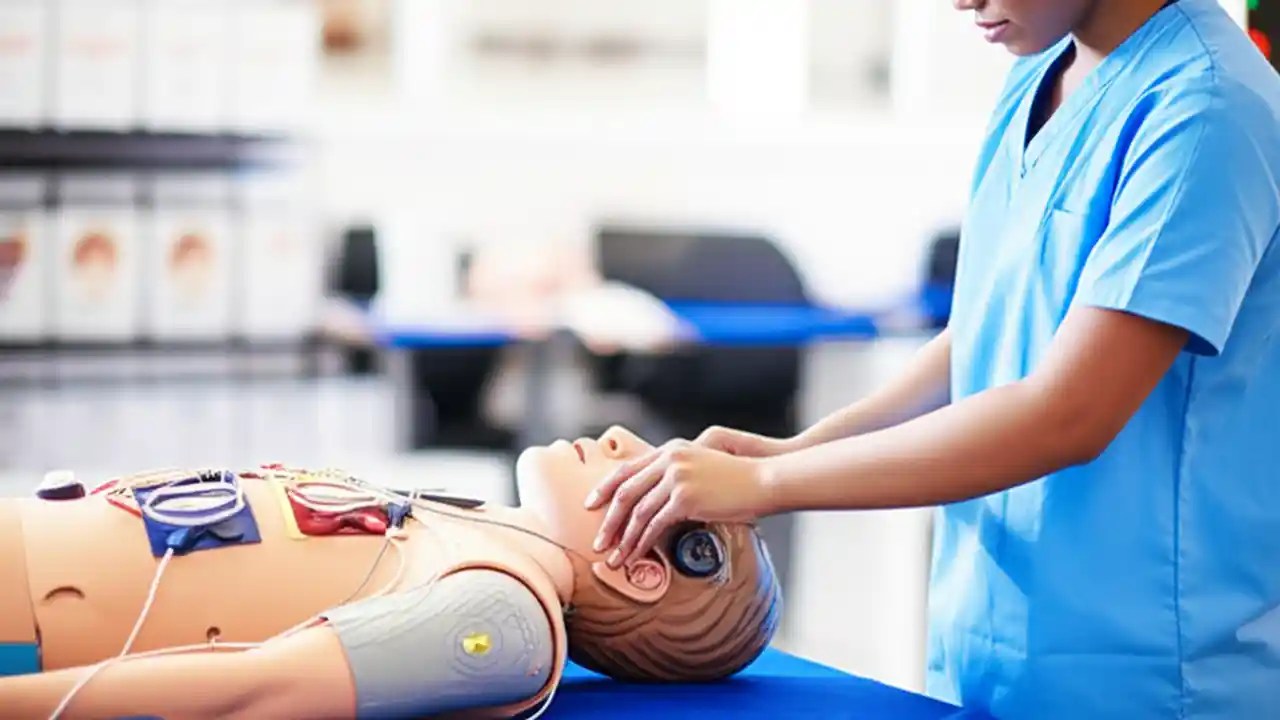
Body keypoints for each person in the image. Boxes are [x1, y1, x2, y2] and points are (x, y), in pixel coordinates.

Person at [587, 1, 1280, 718]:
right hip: (987, 656)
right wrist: (801, 449)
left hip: (1147, 678)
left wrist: (768, 482)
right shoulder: (1039, 70)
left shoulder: (1208, 110)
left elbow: (1070, 414)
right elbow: (987, 325)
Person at [0, 426, 780, 719]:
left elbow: (251, 690)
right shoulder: (469, 524)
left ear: (642, 571)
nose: (618, 434)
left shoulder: (504, 621)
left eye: (650, 475)